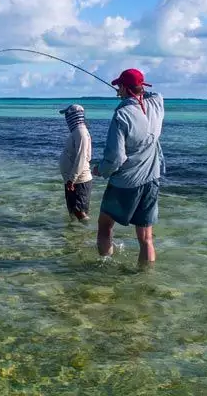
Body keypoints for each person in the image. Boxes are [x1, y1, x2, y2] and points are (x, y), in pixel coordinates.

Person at [92, 68, 165, 268]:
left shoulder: (122, 115)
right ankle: (146, 277)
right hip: (152, 179)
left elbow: (116, 158)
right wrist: (134, 93)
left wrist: (100, 170)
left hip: (125, 183)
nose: (117, 91)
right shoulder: (157, 103)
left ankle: (104, 267)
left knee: (105, 226)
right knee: (146, 238)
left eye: (119, 87)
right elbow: (153, 94)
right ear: (142, 87)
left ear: (124, 87)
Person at [58, 104, 93, 223]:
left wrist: (72, 179)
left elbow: (81, 158)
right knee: (73, 213)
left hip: (79, 181)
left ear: (74, 116)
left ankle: (92, 234)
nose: (66, 118)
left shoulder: (81, 133)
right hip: (73, 181)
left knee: (80, 213)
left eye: (67, 115)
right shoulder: (77, 132)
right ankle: (75, 239)